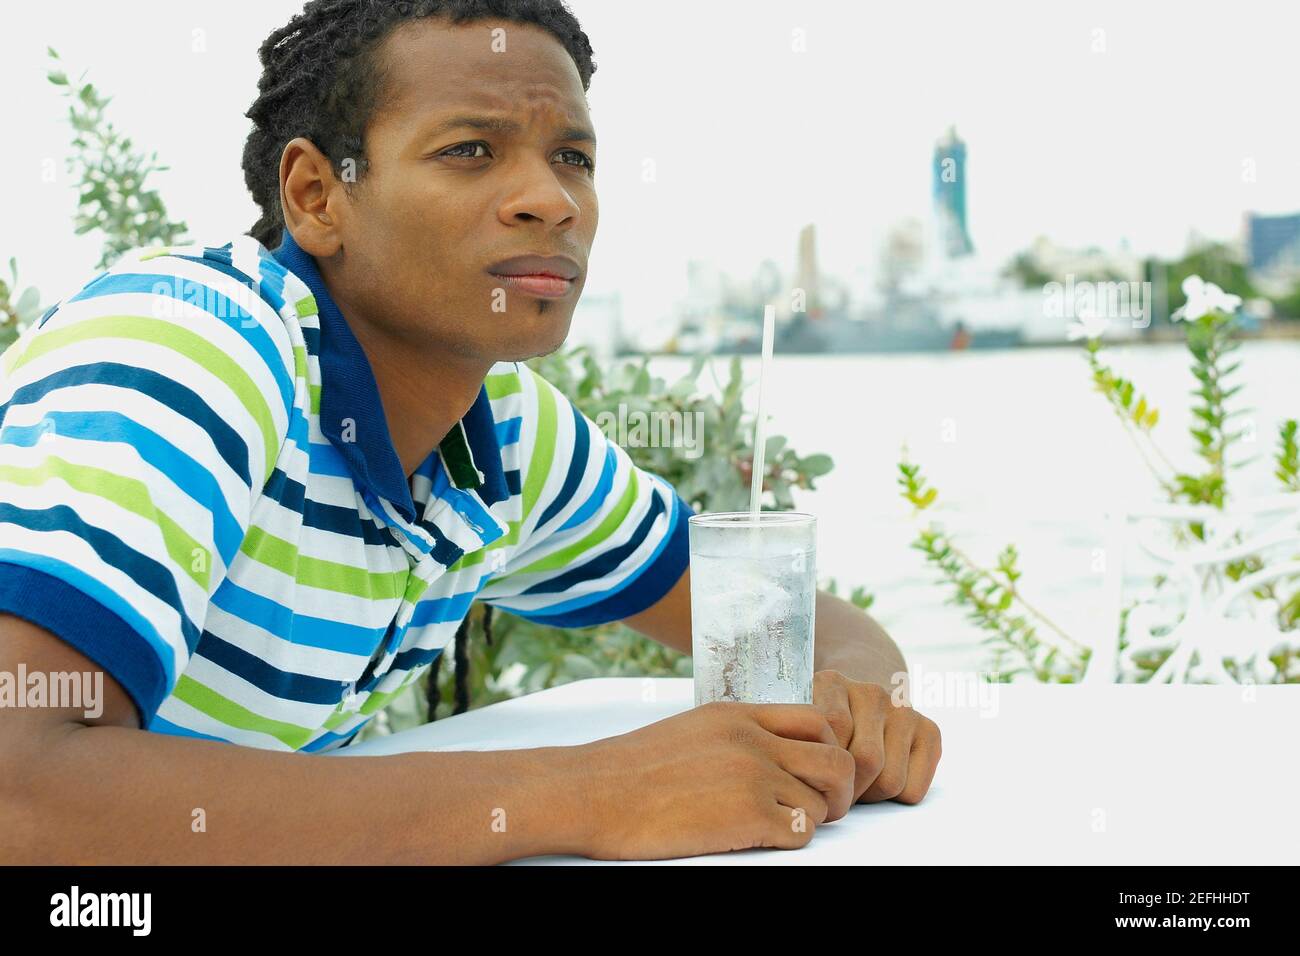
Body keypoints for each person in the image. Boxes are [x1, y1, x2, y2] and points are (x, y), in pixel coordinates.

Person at [0, 0, 940, 864]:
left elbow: (796, 622)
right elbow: (20, 791)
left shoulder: (505, 432)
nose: (552, 200)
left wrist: (858, 701)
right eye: (469, 151)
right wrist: (596, 791)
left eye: (573, 157)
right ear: (317, 197)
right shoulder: (187, 345)